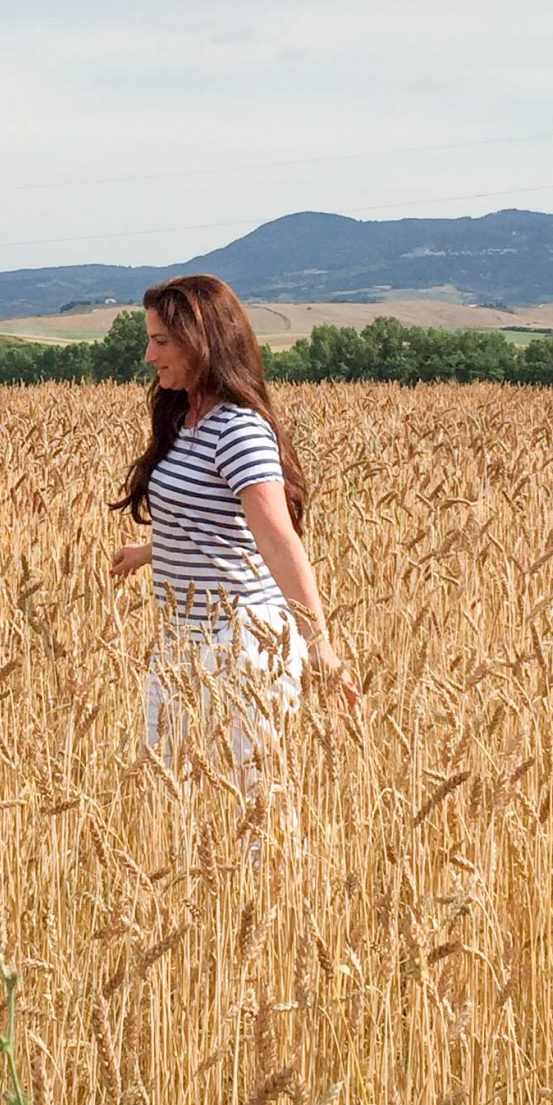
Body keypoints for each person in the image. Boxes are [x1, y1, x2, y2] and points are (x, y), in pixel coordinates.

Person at [108, 275, 357, 802]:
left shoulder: (238, 430)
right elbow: (214, 521)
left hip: (244, 642)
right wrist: (153, 551)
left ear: (203, 343)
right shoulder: (186, 418)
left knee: (255, 802)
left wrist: (321, 647)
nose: (148, 354)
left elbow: (278, 541)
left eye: (160, 341)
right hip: (181, 639)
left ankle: (280, 885)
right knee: (165, 796)